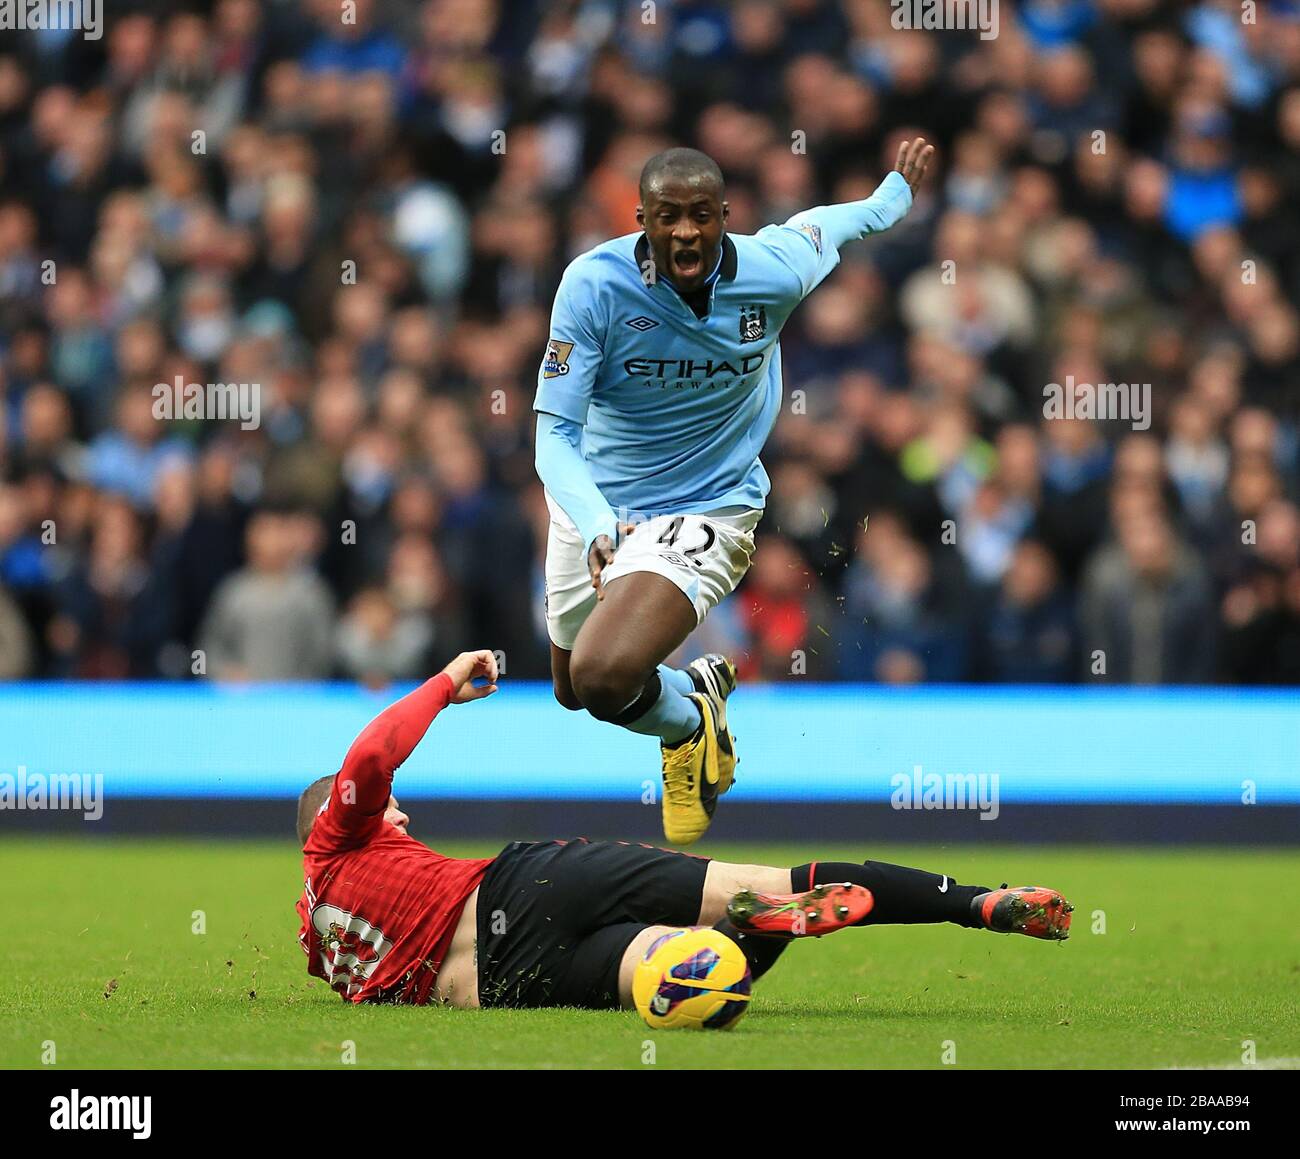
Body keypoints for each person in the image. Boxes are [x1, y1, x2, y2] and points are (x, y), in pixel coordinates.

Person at [533, 139, 935, 845]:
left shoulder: (772, 269)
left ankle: (687, 732)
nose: (685, 231)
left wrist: (891, 196)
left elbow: (835, 224)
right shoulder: (591, 286)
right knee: (575, 691)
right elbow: (553, 436)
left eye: (700, 215)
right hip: (598, 501)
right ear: (640, 220)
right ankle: (698, 703)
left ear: (725, 216)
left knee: (603, 675)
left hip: (710, 501)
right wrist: (597, 523)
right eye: (667, 217)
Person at [296, 650, 1073, 1011]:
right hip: (527, 887)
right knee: (772, 885)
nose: (399, 814)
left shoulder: (319, 937)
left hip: (506, 986)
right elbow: (368, 754)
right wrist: (444, 683)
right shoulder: (335, 835)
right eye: (387, 809)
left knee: (701, 986)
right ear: (333, 811)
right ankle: (969, 902)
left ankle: (747, 939)